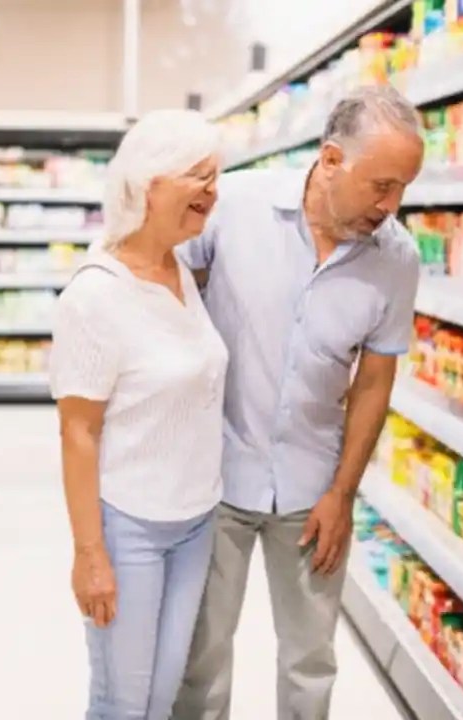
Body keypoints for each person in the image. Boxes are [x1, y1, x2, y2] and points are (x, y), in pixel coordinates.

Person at [174, 85, 425, 719]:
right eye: (381, 185)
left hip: (314, 488)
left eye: (403, 189)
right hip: (215, 478)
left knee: (310, 662)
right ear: (332, 158)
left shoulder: (396, 257)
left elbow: (374, 380)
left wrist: (342, 493)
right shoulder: (236, 205)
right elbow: (169, 293)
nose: (391, 206)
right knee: (200, 659)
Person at [50, 110, 226, 720]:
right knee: (122, 703)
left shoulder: (181, 268)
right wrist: (89, 553)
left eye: (216, 175)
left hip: (196, 518)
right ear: (149, 184)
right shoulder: (95, 295)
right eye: (198, 176)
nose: (213, 190)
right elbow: (78, 431)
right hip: (131, 527)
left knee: (161, 694)